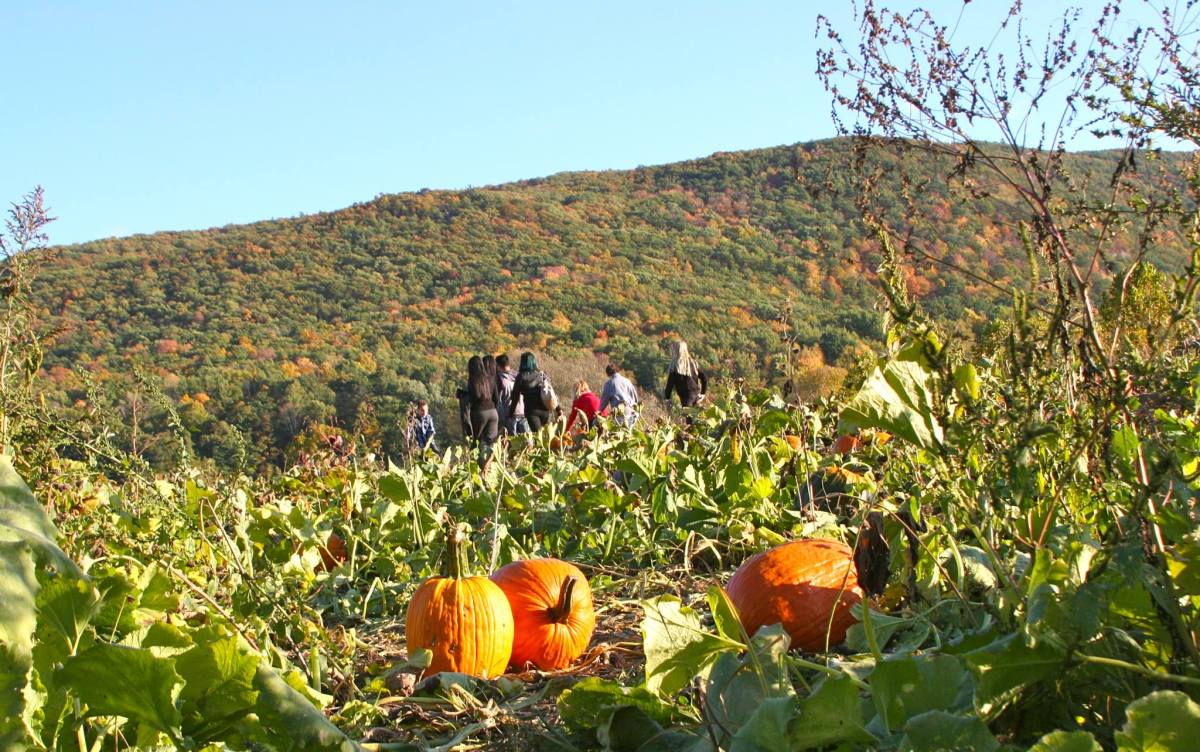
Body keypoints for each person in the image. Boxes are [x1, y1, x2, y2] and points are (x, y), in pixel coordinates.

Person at [465, 355, 500, 468]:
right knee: (491, 443)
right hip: (493, 412)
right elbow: (496, 398)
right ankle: (491, 467)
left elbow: (471, 399)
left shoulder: (472, 380)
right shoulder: (490, 378)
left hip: (479, 413)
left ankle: (479, 468)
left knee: (477, 442)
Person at [509, 351, 557, 431]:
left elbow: (515, 397)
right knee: (545, 434)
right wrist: (558, 409)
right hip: (545, 410)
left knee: (537, 435)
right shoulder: (542, 374)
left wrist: (511, 413)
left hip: (531, 411)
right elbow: (551, 393)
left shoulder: (521, 376)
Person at [663, 340, 708, 407]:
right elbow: (705, 378)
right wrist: (703, 393)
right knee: (696, 413)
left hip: (686, 399)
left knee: (688, 413)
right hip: (696, 396)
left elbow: (669, 385)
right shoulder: (693, 363)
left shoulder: (675, 366)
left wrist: (667, 399)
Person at [598, 363, 640, 428]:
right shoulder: (627, 381)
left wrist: (598, 412)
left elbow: (604, 401)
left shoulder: (609, 383)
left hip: (620, 414)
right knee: (629, 432)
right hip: (632, 413)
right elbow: (635, 398)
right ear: (617, 370)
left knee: (619, 432)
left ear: (608, 374)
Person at [496, 353, 526, 434]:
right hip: (522, 411)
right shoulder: (518, 375)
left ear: (498, 366)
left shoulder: (499, 378)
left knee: (512, 439)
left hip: (509, 413)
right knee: (527, 439)